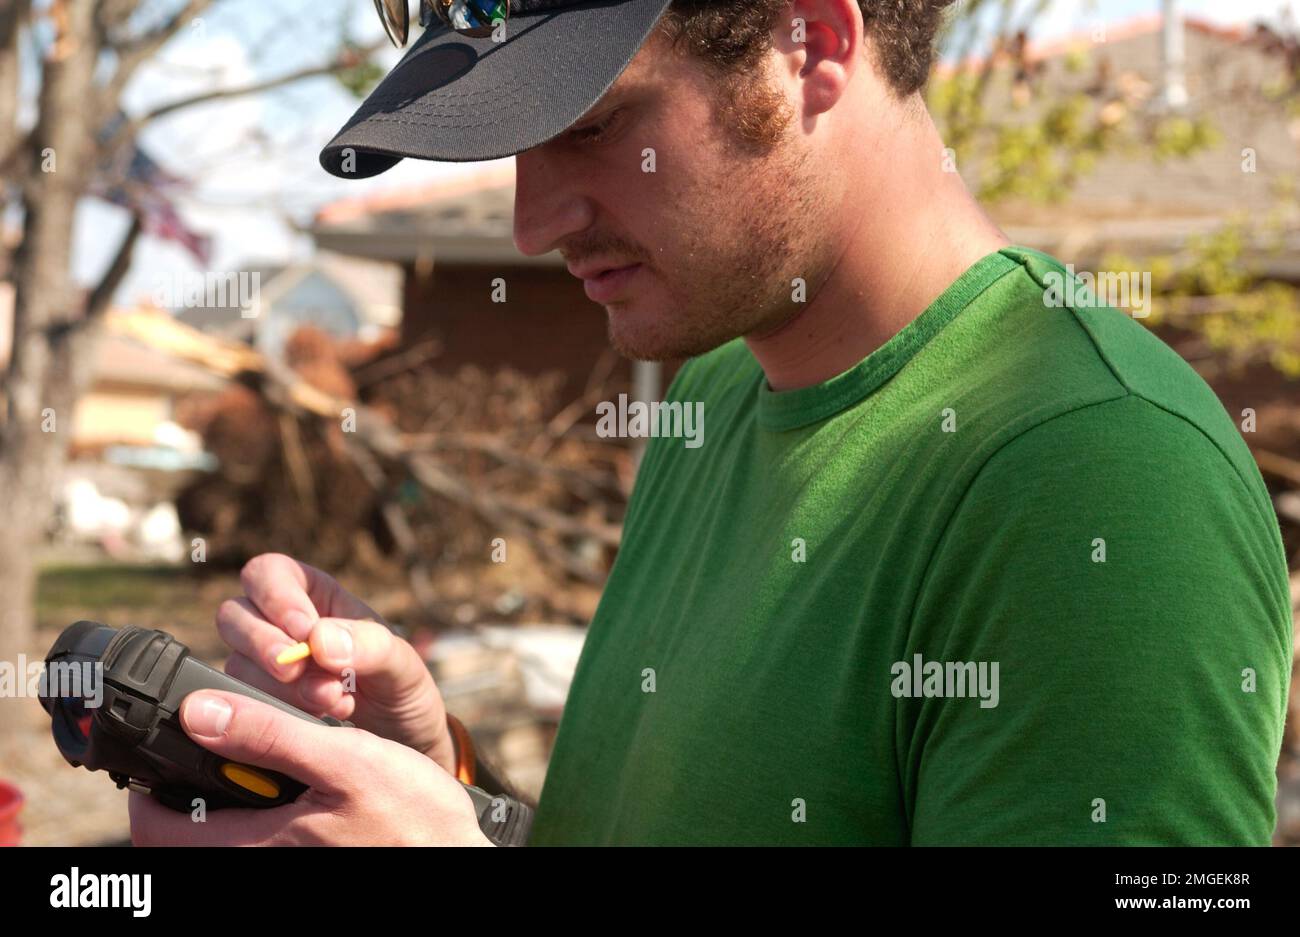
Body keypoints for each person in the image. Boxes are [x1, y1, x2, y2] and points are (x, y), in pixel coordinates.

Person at [130, 0, 1293, 846]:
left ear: (814, 47)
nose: (534, 221)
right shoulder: (715, 396)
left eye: (591, 124)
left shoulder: (1101, 477)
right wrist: (441, 787)